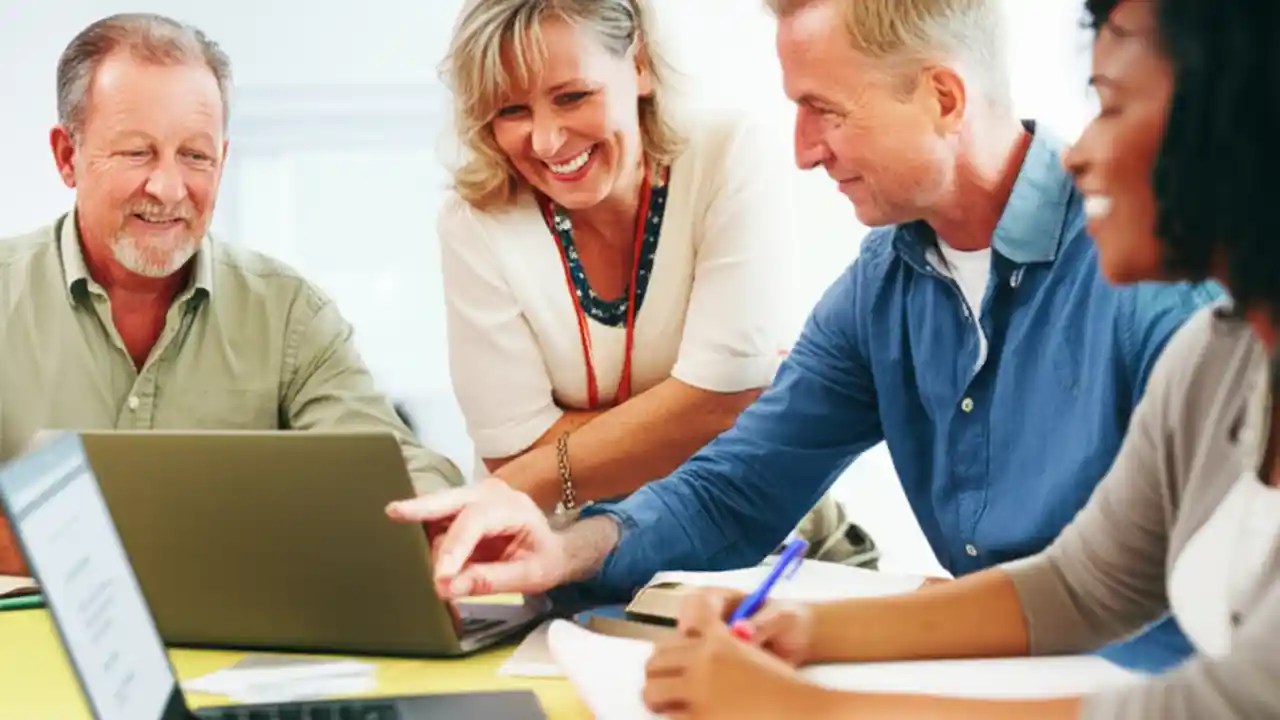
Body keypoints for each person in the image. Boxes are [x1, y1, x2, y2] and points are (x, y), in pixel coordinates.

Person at [387, 0, 1224, 671]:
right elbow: (736, 486)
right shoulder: (879, 289)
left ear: (942, 97)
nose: (802, 151)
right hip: (999, 667)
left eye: (822, 110)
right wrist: (565, 552)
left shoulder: (1157, 275)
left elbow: (1192, 606)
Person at [637, 0, 1280, 716]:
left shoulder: (1166, 321)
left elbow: (1215, 707)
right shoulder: (1215, 362)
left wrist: (808, 708)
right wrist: (806, 630)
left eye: (1113, 105)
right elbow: (1080, 586)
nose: (1077, 151)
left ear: (1236, 130)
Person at [0, 13, 462, 576]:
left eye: (195, 156)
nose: (169, 188)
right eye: (137, 153)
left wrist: (426, 520)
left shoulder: (289, 313)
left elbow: (401, 474)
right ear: (67, 156)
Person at [436, 0, 866, 564]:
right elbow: (509, 458)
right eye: (511, 110)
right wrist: (694, 410)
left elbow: (726, 403)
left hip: (758, 551)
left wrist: (559, 462)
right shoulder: (474, 220)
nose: (545, 141)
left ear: (638, 64)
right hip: (556, 562)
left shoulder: (727, 153)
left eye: (572, 96)